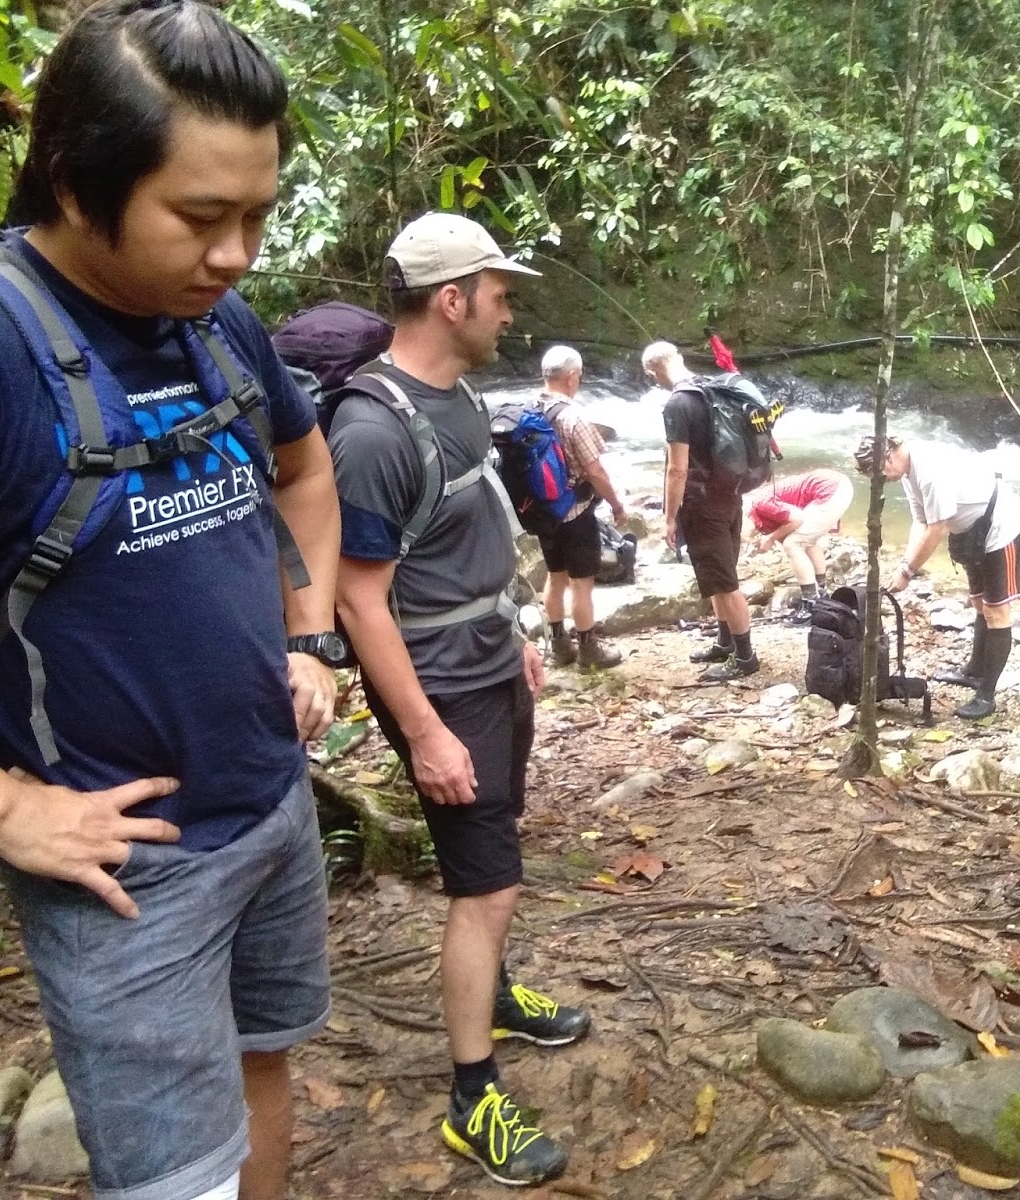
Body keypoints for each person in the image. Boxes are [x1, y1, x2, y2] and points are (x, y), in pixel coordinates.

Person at [0, 4, 342, 1199]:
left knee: (269, 1059)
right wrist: (0, 806)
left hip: (269, 800)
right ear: (71, 176)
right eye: (203, 217)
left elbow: (303, 468)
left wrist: (307, 636)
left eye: (257, 216)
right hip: (128, 868)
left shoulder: (214, 323)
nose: (238, 255)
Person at [329, 212, 588, 1188]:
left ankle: (496, 993)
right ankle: (471, 1092)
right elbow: (358, 599)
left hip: (488, 661)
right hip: (440, 688)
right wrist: (426, 732)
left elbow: (471, 535)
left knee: (497, 856)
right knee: (485, 886)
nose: (508, 309)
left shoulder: (457, 396)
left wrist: (518, 630)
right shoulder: (370, 428)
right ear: (453, 299)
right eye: (500, 292)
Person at [853, 435, 1020, 721]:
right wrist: (903, 564)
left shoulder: (929, 471)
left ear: (889, 457)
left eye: (879, 472)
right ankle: (974, 670)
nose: (882, 479)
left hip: (999, 526)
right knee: (979, 603)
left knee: (997, 611)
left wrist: (908, 572)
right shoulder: (909, 472)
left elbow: (937, 529)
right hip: (971, 531)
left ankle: (986, 695)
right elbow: (920, 522)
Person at [642, 340, 759, 679]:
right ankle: (724, 643)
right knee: (715, 576)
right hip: (730, 495)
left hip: (702, 504)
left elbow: (676, 469)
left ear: (653, 373)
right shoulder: (714, 388)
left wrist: (669, 517)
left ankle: (745, 657)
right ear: (678, 358)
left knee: (724, 582)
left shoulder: (678, 404)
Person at [534, 345, 626, 669]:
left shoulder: (529, 410)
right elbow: (595, 470)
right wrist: (616, 504)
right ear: (571, 377)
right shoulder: (573, 416)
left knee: (554, 577)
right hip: (575, 512)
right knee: (582, 584)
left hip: (543, 512)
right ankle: (589, 651)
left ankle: (559, 647)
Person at [746, 467, 855, 621]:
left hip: (829, 490)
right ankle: (821, 593)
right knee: (809, 540)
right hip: (839, 485)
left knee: (793, 543)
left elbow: (797, 518)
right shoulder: (761, 510)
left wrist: (770, 538)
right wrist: (771, 537)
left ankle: (810, 605)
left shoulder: (760, 504)